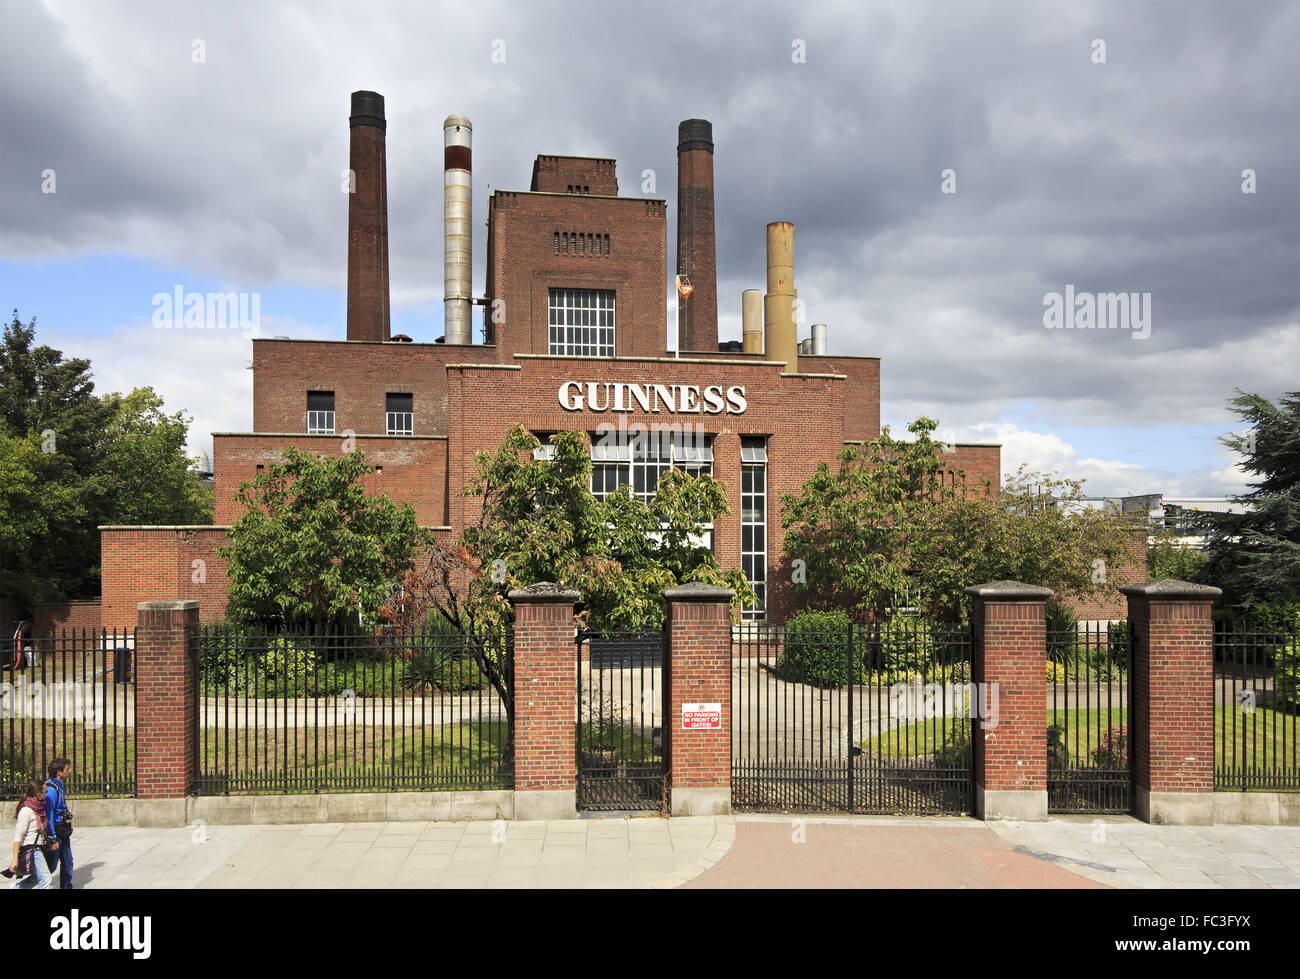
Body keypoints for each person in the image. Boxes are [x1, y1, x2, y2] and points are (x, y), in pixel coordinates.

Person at [9, 778, 56, 889]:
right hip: (32, 849)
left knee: (35, 877)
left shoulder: (39, 809)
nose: (47, 794)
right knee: (46, 879)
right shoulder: (26, 811)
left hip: (39, 847)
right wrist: (15, 859)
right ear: (39, 795)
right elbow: (18, 836)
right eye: (45, 792)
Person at [44, 759, 73, 889]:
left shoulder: (59, 785)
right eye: (67, 769)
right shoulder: (51, 789)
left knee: (68, 861)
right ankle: (21, 886)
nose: (69, 771)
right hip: (55, 830)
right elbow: (48, 814)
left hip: (63, 829)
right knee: (50, 866)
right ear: (59, 772)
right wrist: (52, 836)